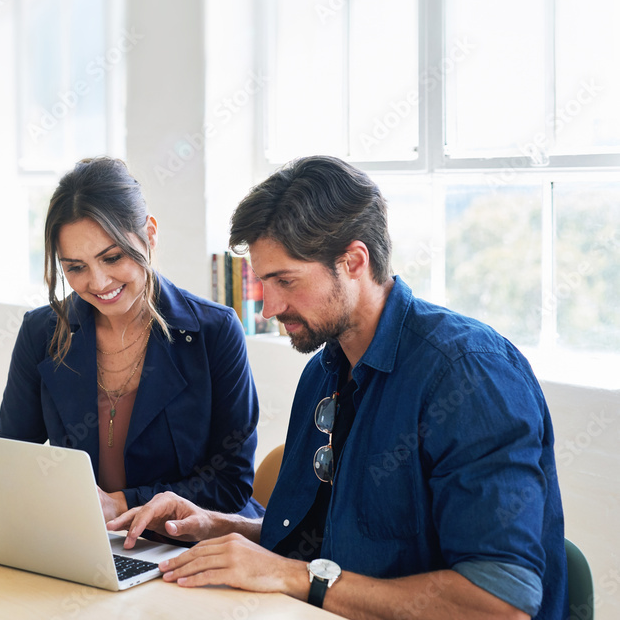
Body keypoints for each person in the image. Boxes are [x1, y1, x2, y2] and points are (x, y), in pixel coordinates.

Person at [110, 155, 568, 620]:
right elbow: (329, 543)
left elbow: (500, 604)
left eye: (285, 281)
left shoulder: (470, 375)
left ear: (353, 261)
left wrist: (291, 577)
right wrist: (214, 528)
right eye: (263, 283)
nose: (268, 308)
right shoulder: (324, 369)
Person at [0, 156, 262, 521]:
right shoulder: (41, 332)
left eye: (113, 257)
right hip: (91, 542)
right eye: (75, 267)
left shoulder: (214, 332)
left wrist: (122, 503)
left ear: (150, 235)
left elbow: (230, 484)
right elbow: (10, 458)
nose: (99, 283)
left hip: (187, 546)